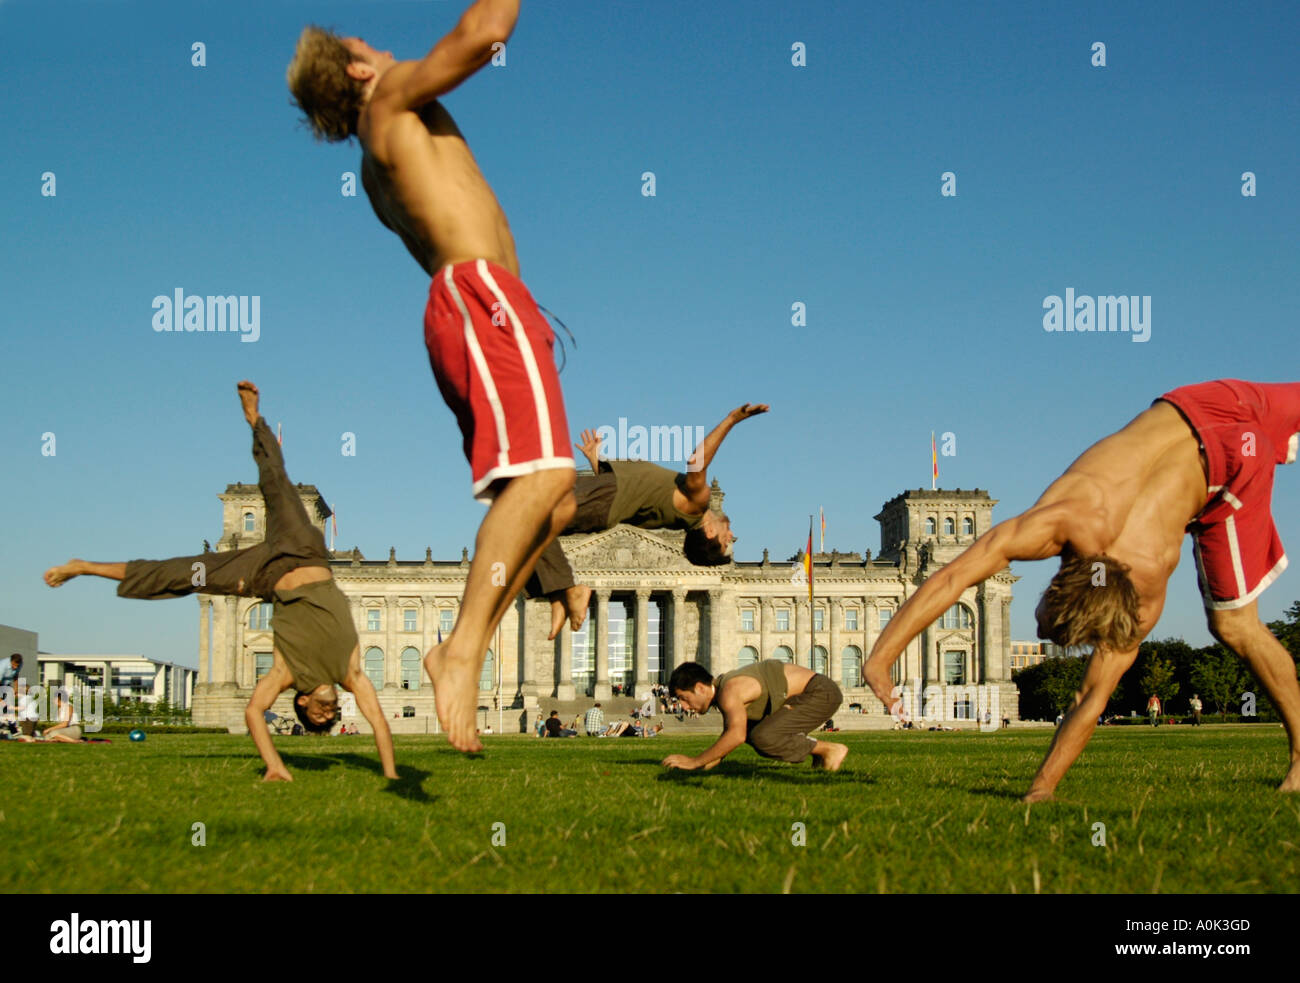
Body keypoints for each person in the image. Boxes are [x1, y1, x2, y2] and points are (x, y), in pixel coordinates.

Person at [287, 3, 577, 752]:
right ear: (358, 70)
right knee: (546, 479)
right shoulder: (388, 101)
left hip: (487, 306)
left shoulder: (381, 147)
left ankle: (468, 640)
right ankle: (462, 649)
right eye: (367, 44)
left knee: (557, 503)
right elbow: (485, 31)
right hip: (482, 298)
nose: (383, 46)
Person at [863, 379, 1300, 800]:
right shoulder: (1071, 526)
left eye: (1050, 628)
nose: (1037, 636)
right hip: (1209, 403)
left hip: (1229, 461)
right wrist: (882, 660)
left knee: (1234, 624)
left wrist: (1043, 787)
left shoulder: (1127, 582)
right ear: (1057, 583)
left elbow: (1088, 698)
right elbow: (953, 578)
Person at [44, 382, 397, 783]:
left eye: (321, 714)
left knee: (183, 572)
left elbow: (252, 713)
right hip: (301, 548)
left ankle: (85, 566)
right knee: (278, 482)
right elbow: (380, 723)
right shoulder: (350, 673)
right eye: (331, 714)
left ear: (301, 701)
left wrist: (275, 765)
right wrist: (392, 774)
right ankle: (255, 420)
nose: (330, 711)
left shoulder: (285, 672)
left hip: (261, 572)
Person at [527, 407, 768, 638]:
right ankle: (556, 594)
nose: (731, 533)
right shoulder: (674, 521)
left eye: (725, 540)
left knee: (530, 512)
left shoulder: (697, 502)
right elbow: (634, 505)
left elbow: (696, 461)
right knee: (522, 535)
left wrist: (731, 419)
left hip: (606, 498)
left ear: (709, 531)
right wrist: (597, 464)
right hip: (604, 504)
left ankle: (567, 590)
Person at [662, 661, 849, 772]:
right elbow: (730, 737)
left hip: (820, 693)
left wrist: (694, 762)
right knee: (753, 732)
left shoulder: (729, 690)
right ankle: (820, 755)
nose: (684, 707)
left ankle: (830, 750)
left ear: (700, 688)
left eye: (684, 698)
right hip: (807, 696)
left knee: (763, 736)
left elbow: (736, 736)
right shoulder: (725, 690)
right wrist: (702, 766)